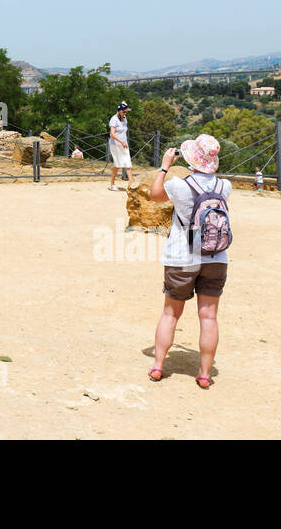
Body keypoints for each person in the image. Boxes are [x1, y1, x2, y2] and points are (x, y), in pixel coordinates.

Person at [147, 134, 230, 389]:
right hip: (216, 257)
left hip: (182, 257)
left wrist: (164, 166)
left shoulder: (179, 185)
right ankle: (205, 373)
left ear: (192, 158)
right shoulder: (225, 186)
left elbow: (155, 195)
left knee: (171, 313)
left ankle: (159, 366)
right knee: (209, 317)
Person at [108, 102, 132, 190]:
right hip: (115, 145)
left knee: (128, 163)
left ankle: (131, 184)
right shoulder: (114, 119)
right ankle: (112, 184)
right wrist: (121, 142)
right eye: (124, 112)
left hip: (124, 144)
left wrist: (124, 142)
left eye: (126, 112)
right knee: (117, 165)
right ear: (119, 111)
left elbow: (124, 132)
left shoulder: (125, 119)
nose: (125, 113)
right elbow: (112, 134)